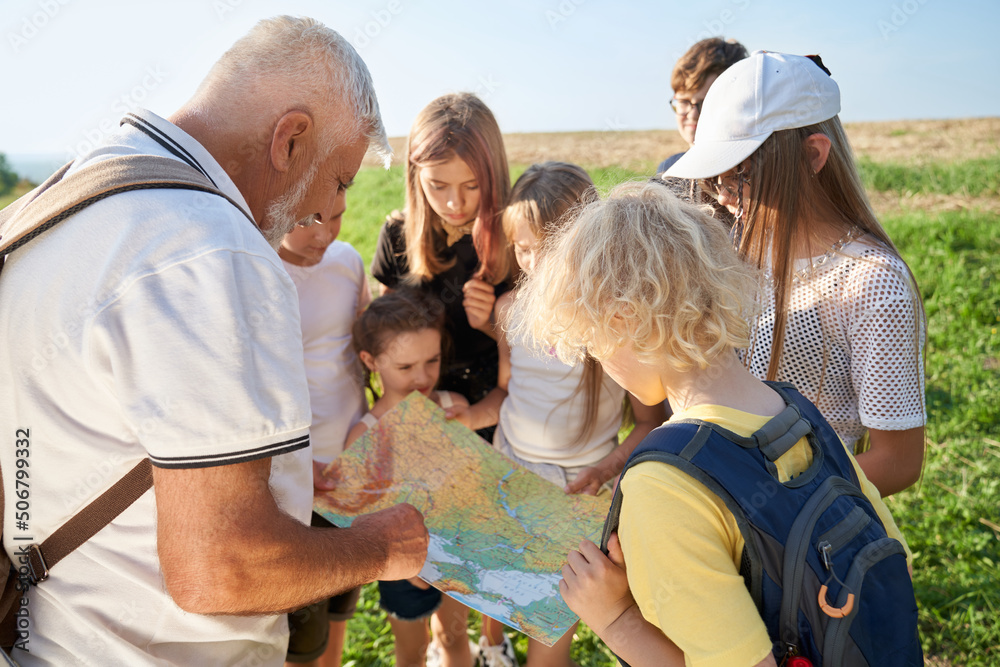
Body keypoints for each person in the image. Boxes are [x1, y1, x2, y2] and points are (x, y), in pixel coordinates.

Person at [0, 16, 427, 665]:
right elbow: (223, 567)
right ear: (290, 138)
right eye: (338, 180)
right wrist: (384, 545)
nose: (326, 210)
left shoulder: (71, 194)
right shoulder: (211, 250)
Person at [510, 181, 912, 666]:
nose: (598, 359)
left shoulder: (664, 483)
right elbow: (892, 566)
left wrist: (616, 617)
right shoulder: (798, 413)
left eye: (592, 344)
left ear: (621, 320)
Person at [665, 51, 926, 496]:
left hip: (796, 538)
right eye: (714, 179)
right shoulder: (732, 249)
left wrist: (763, 501)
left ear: (812, 156)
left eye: (738, 177)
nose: (724, 198)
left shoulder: (872, 283)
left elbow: (897, 461)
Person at [476, 162, 666, 667]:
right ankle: (491, 647)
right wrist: (467, 415)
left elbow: (651, 421)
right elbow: (506, 391)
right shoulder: (509, 309)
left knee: (549, 633)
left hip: (575, 494)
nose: (534, 264)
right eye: (523, 248)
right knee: (494, 583)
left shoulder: (616, 327)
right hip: (510, 472)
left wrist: (607, 469)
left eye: (549, 248)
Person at [370, 92, 513, 434]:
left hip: (494, 401)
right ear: (415, 176)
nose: (454, 202)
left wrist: (491, 324)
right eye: (437, 185)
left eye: (472, 185)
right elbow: (387, 331)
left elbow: (540, 353)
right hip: (417, 397)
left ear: (493, 174)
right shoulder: (396, 235)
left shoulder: (514, 240)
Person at [345, 289, 472, 667]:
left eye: (432, 361)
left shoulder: (455, 410)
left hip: (457, 552)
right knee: (410, 654)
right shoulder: (362, 438)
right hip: (400, 566)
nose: (422, 377)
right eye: (405, 368)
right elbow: (362, 515)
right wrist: (410, 566)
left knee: (454, 639)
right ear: (371, 361)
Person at [278, 189, 370, 667]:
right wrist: (294, 461)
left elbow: (361, 348)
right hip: (298, 480)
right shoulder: (263, 274)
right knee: (303, 624)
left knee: (342, 605)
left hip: (350, 469)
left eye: (336, 217)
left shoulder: (347, 261)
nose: (325, 233)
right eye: (310, 220)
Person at [655, 37, 748, 175]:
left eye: (705, 103)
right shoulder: (670, 170)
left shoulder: (744, 175)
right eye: (683, 101)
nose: (693, 115)